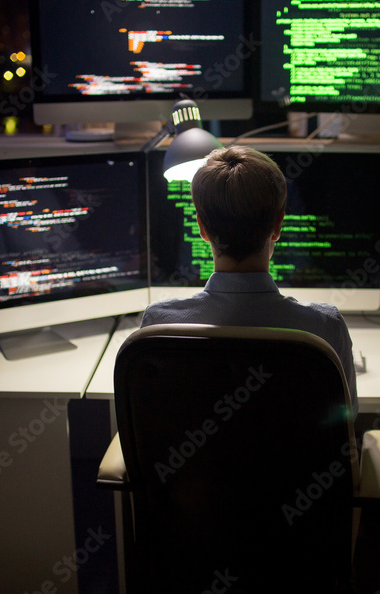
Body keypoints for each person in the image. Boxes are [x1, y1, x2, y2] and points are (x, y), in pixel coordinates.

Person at [140, 145, 358, 413]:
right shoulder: (325, 329)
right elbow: (346, 421)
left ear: (202, 229)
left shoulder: (158, 326)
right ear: (278, 226)